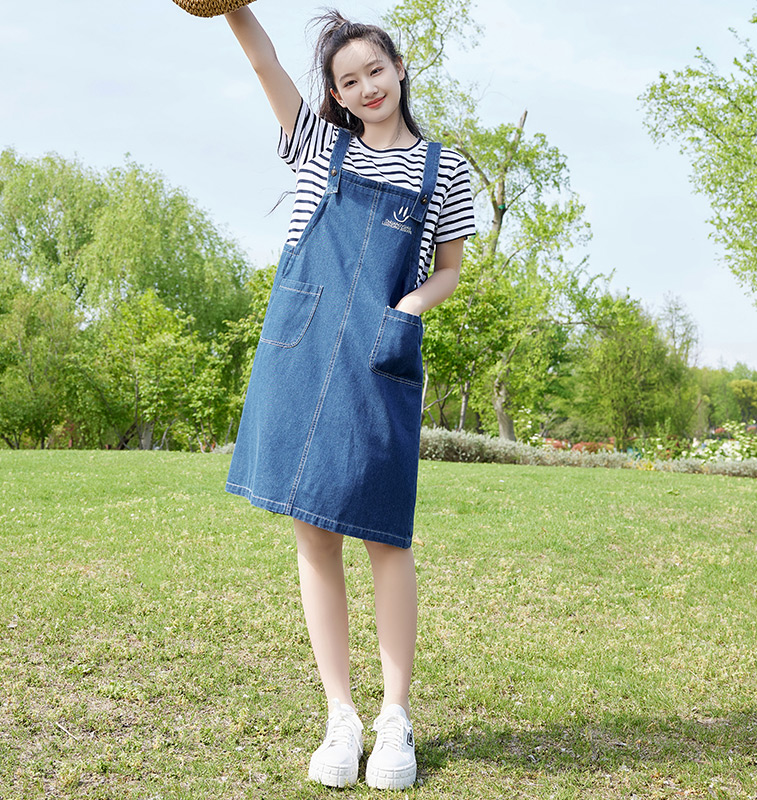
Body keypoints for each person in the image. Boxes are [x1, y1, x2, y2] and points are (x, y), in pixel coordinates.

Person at [222, 2, 475, 789]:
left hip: (378, 357)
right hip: (301, 349)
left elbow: (452, 269)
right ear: (333, 95)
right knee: (313, 534)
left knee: (386, 537)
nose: (366, 86)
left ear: (400, 70)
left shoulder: (446, 169)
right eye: (347, 79)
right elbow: (263, 60)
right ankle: (341, 716)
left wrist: (409, 308)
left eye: (376, 70)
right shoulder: (317, 147)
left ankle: (395, 717)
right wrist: (234, 8)